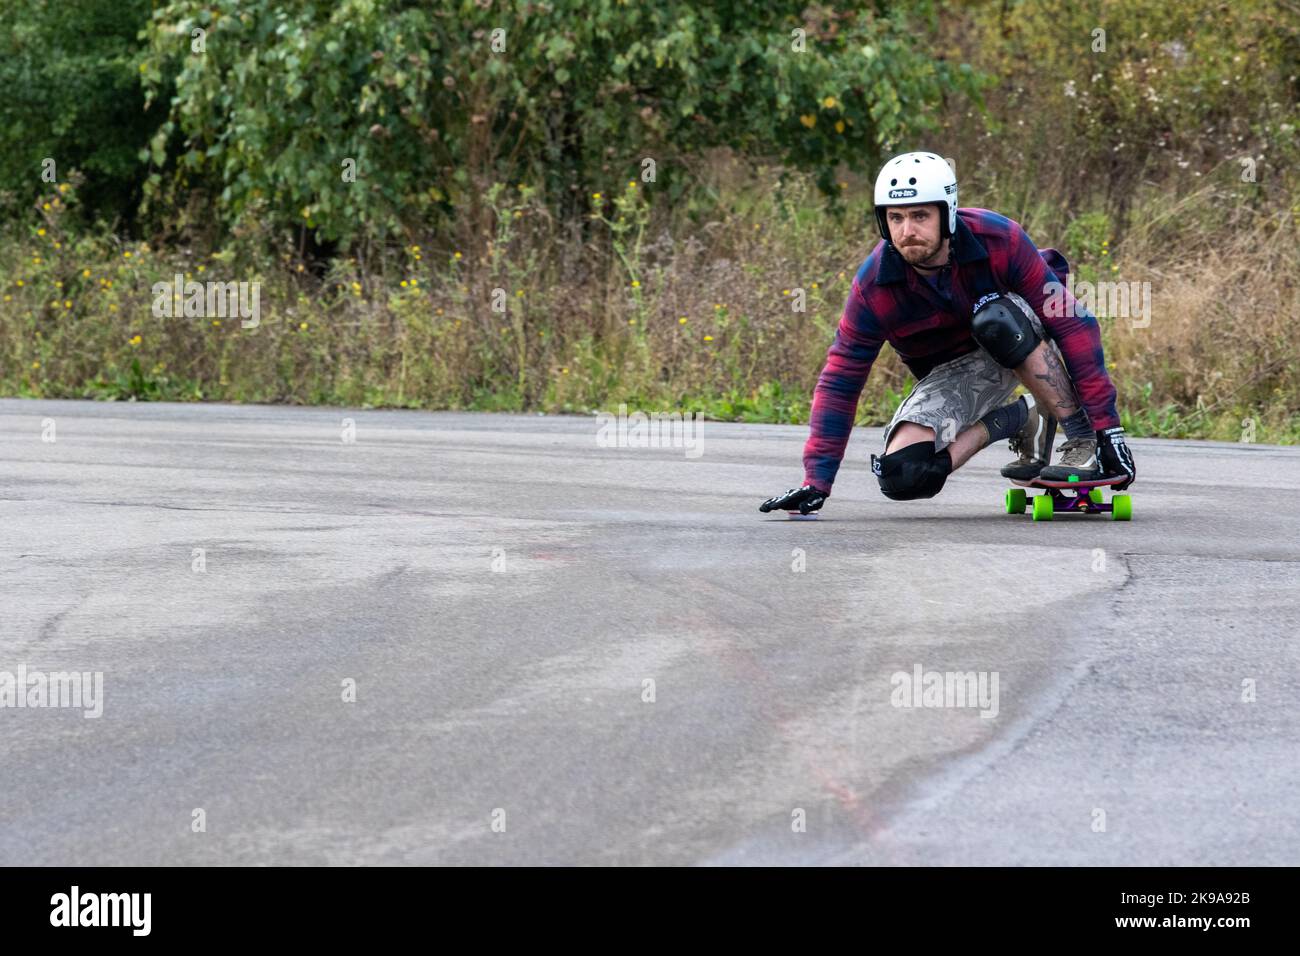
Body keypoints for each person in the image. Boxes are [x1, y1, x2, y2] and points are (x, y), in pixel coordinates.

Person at [760, 151, 1136, 515]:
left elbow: (1073, 322)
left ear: (948, 213)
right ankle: (1020, 418)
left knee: (997, 321)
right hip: (958, 374)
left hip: (1022, 334)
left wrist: (1107, 430)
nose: (907, 231)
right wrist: (816, 480)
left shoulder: (999, 238)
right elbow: (841, 378)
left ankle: (1080, 437)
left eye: (921, 215)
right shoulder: (873, 285)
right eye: (896, 218)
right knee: (903, 477)